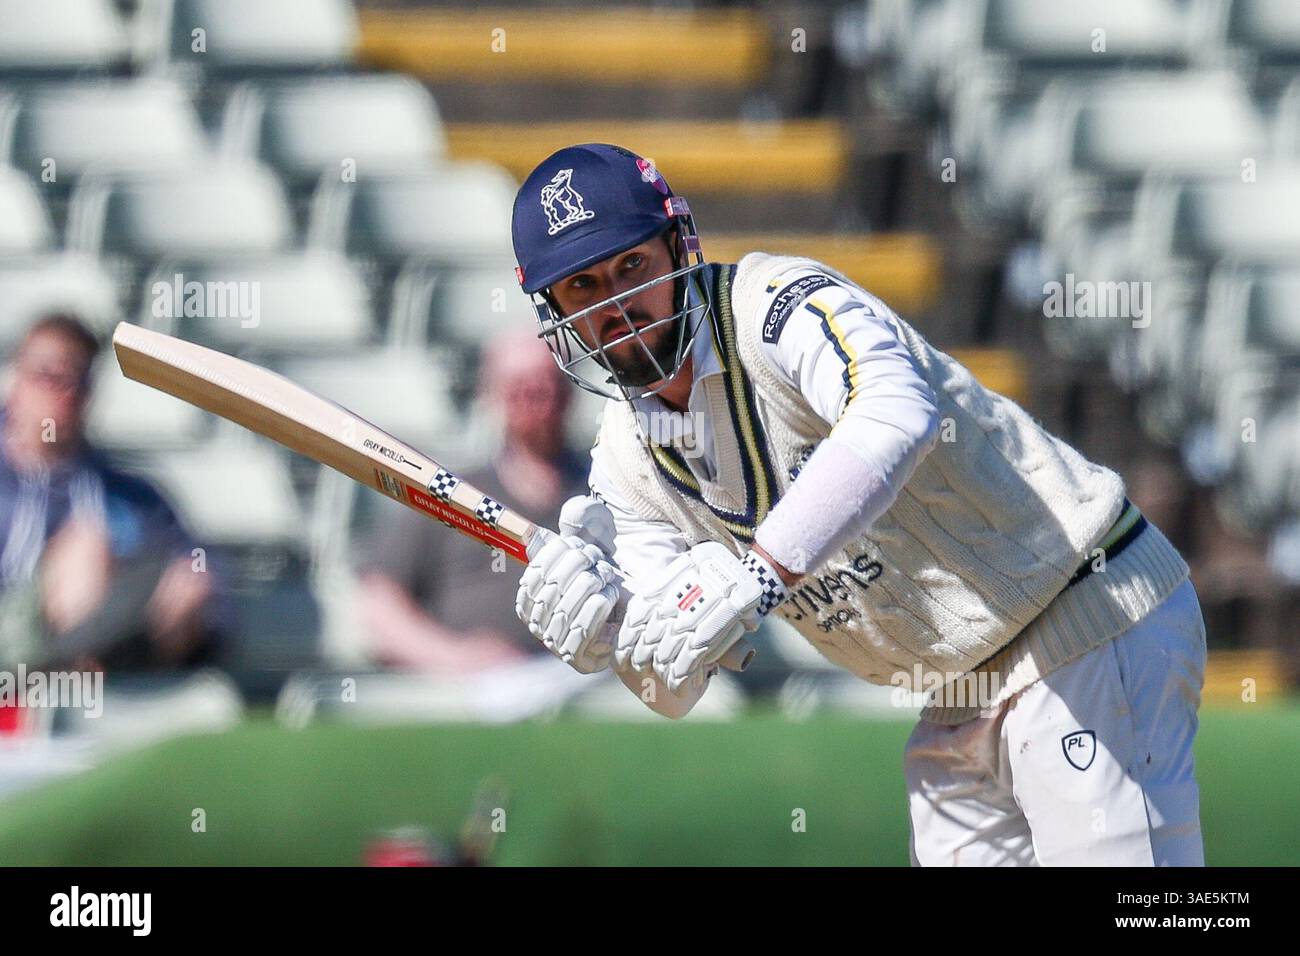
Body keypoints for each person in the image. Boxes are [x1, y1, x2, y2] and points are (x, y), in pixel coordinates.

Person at [508, 143, 1207, 866]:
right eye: (585, 286)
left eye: (632, 267)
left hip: (1083, 615)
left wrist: (759, 572)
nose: (618, 304)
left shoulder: (776, 304)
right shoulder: (624, 459)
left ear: (678, 246)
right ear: (554, 308)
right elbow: (675, 683)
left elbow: (896, 410)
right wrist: (611, 634)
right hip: (952, 692)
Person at [357, 330, 590, 674]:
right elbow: (379, 605)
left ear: (569, 389)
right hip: (468, 696)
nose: (536, 397)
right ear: (491, 394)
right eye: (519, 387)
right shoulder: (451, 493)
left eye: (547, 382)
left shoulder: (605, 490)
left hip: (593, 692)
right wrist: (455, 657)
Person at [0, 315, 214, 672]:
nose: (65, 393)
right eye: (48, 376)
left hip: (86, 651)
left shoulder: (118, 492)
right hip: (15, 633)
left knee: (172, 571)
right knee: (88, 547)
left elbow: (195, 562)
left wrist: (188, 588)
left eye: (77, 380)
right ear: (15, 380)